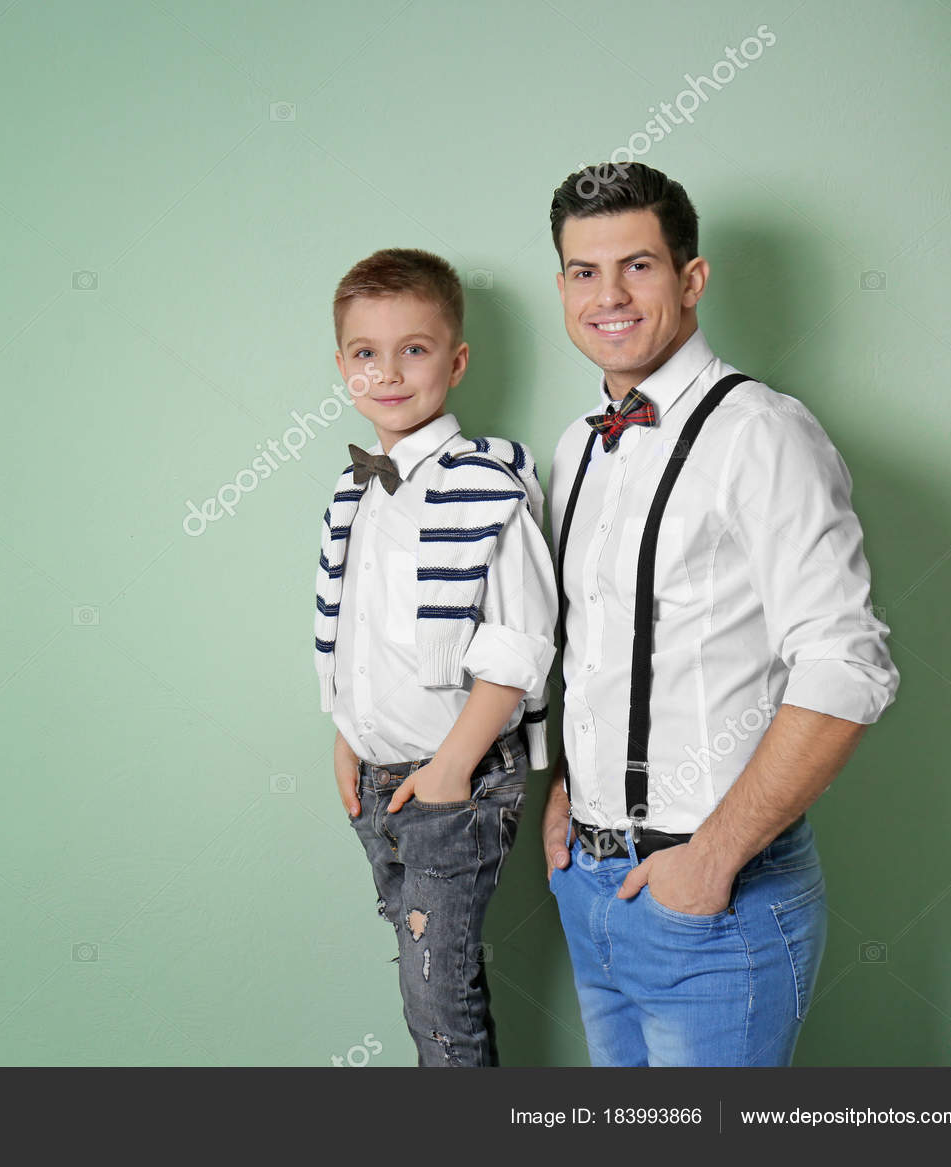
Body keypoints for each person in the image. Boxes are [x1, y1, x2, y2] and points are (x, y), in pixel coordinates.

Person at [540, 162, 899, 1066]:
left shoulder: (763, 432)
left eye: (639, 266)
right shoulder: (576, 445)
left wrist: (711, 859)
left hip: (716, 900)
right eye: (584, 271)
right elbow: (592, 647)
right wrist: (568, 794)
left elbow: (846, 666)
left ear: (692, 279)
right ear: (562, 288)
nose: (608, 295)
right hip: (591, 892)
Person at [315, 248, 557, 1066]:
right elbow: (356, 635)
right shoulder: (354, 494)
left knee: (438, 997)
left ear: (455, 361)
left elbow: (520, 646)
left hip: (454, 779)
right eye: (365, 352)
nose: (388, 371)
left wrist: (453, 765)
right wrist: (348, 735)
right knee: (423, 981)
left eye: (414, 349)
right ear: (342, 365)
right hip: (380, 780)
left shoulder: (487, 484)